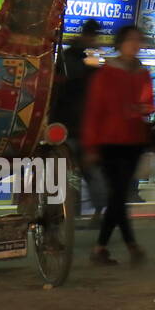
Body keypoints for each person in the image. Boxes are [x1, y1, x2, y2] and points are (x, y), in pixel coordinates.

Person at [80, 25, 153, 266]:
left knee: (118, 195)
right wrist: (90, 146)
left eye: (137, 40)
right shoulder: (106, 74)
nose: (135, 44)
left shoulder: (142, 73)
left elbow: (148, 102)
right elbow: (93, 111)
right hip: (110, 141)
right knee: (119, 193)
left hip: (134, 140)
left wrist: (144, 109)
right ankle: (102, 247)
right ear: (120, 43)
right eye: (130, 39)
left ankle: (129, 245)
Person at [55, 19, 106, 222]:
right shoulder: (74, 58)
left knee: (86, 171)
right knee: (80, 171)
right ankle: (69, 211)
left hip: (79, 124)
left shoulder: (82, 57)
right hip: (71, 124)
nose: (92, 39)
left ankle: (91, 210)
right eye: (91, 35)